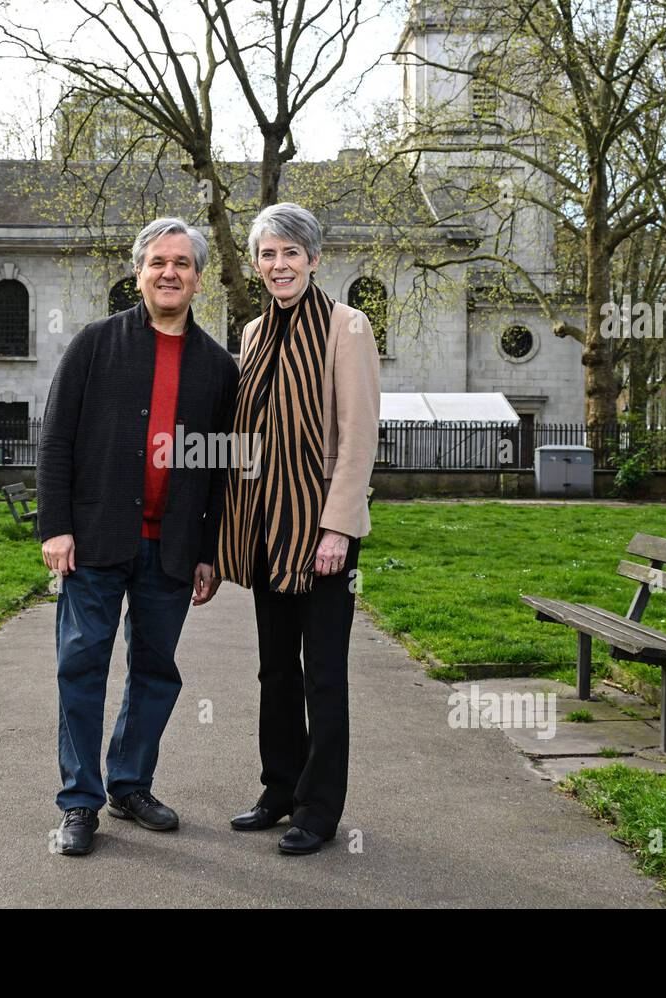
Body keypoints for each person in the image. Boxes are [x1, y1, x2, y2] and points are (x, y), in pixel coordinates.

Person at [37, 217, 239, 856]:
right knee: (82, 666)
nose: (169, 272)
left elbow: (219, 467)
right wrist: (57, 528)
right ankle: (79, 804)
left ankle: (130, 784)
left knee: (155, 672)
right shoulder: (96, 344)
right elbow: (56, 438)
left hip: (171, 548)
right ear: (139, 272)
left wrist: (210, 550)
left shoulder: (216, 365)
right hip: (95, 539)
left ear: (198, 278)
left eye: (182, 263)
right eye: (158, 262)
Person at [216, 202, 381, 855]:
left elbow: (358, 436)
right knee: (275, 670)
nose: (279, 265)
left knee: (323, 675)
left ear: (313, 259)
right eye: (268, 254)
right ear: (257, 265)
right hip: (268, 528)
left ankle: (318, 808)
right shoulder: (254, 332)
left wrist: (337, 527)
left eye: (291, 253)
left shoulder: (349, 327)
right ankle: (279, 787)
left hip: (323, 531)